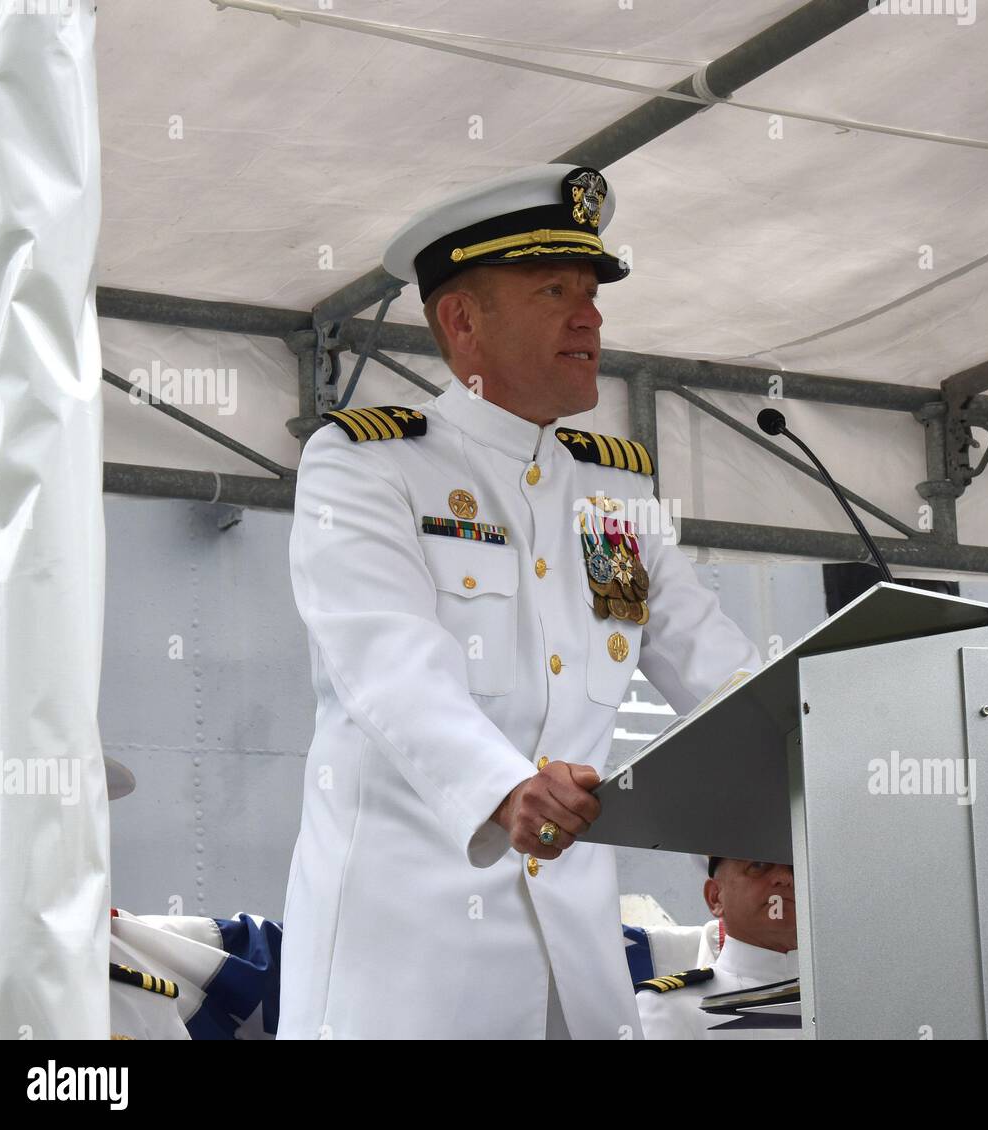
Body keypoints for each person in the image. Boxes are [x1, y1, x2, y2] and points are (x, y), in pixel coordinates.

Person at [277, 163, 764, 1039]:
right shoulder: (367, 463)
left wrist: (826, 749)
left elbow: (715, 668)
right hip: (410, 961)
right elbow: (388, 666)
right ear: (462, 321)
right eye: (553, 289)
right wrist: (507, 788)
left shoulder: (610, 491)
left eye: (592, 292)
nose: (591, 317)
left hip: (576, 966)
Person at [635, 857, 799, 1040]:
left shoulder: (833, 996)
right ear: (715, 897)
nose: (785, 877)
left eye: (796, 867)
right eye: (759, 865)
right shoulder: (669, 1007)